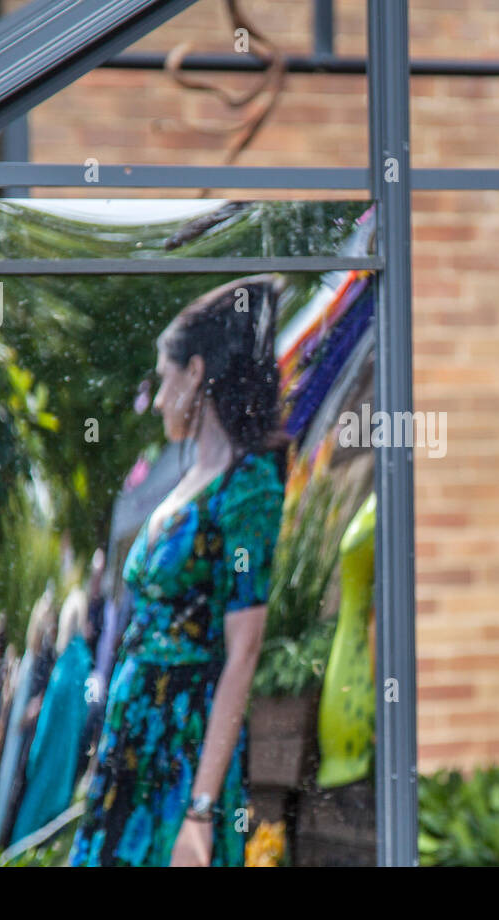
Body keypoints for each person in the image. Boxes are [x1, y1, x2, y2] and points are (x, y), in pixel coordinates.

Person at [70, 275, 288, 867]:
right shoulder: (186, 480)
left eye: (165, 379)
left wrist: (200, 809)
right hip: (134, 742)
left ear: (195, 372)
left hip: (181, 747)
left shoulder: (248, 489)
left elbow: (242, 653)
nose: (160, 398)